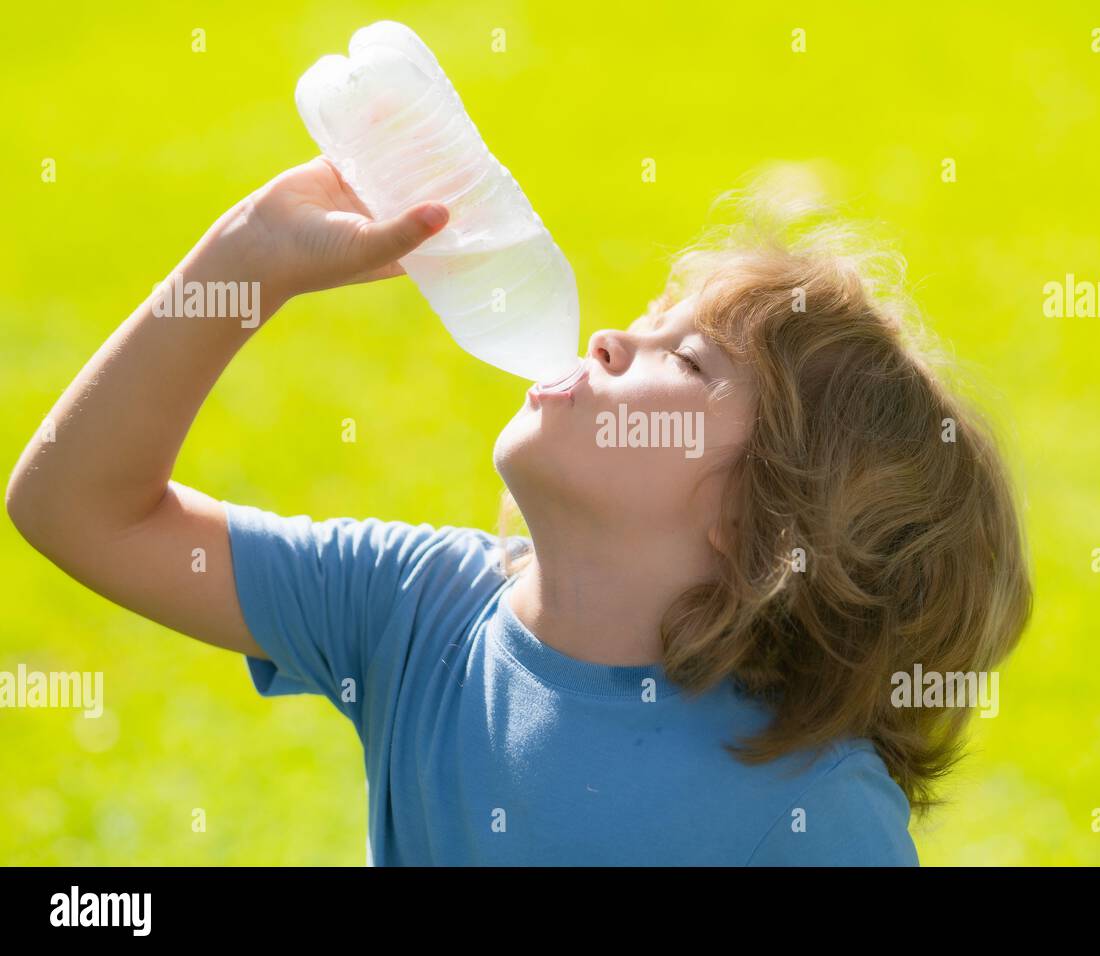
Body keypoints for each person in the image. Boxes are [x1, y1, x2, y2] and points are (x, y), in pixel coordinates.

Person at [6, 157, 1031, 865]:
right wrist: (244, 262)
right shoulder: (414, 608)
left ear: (766, 524)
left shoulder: (811, 808)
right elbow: (75, 505)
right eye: (646, 319)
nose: (609, 340)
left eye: (686, 357)